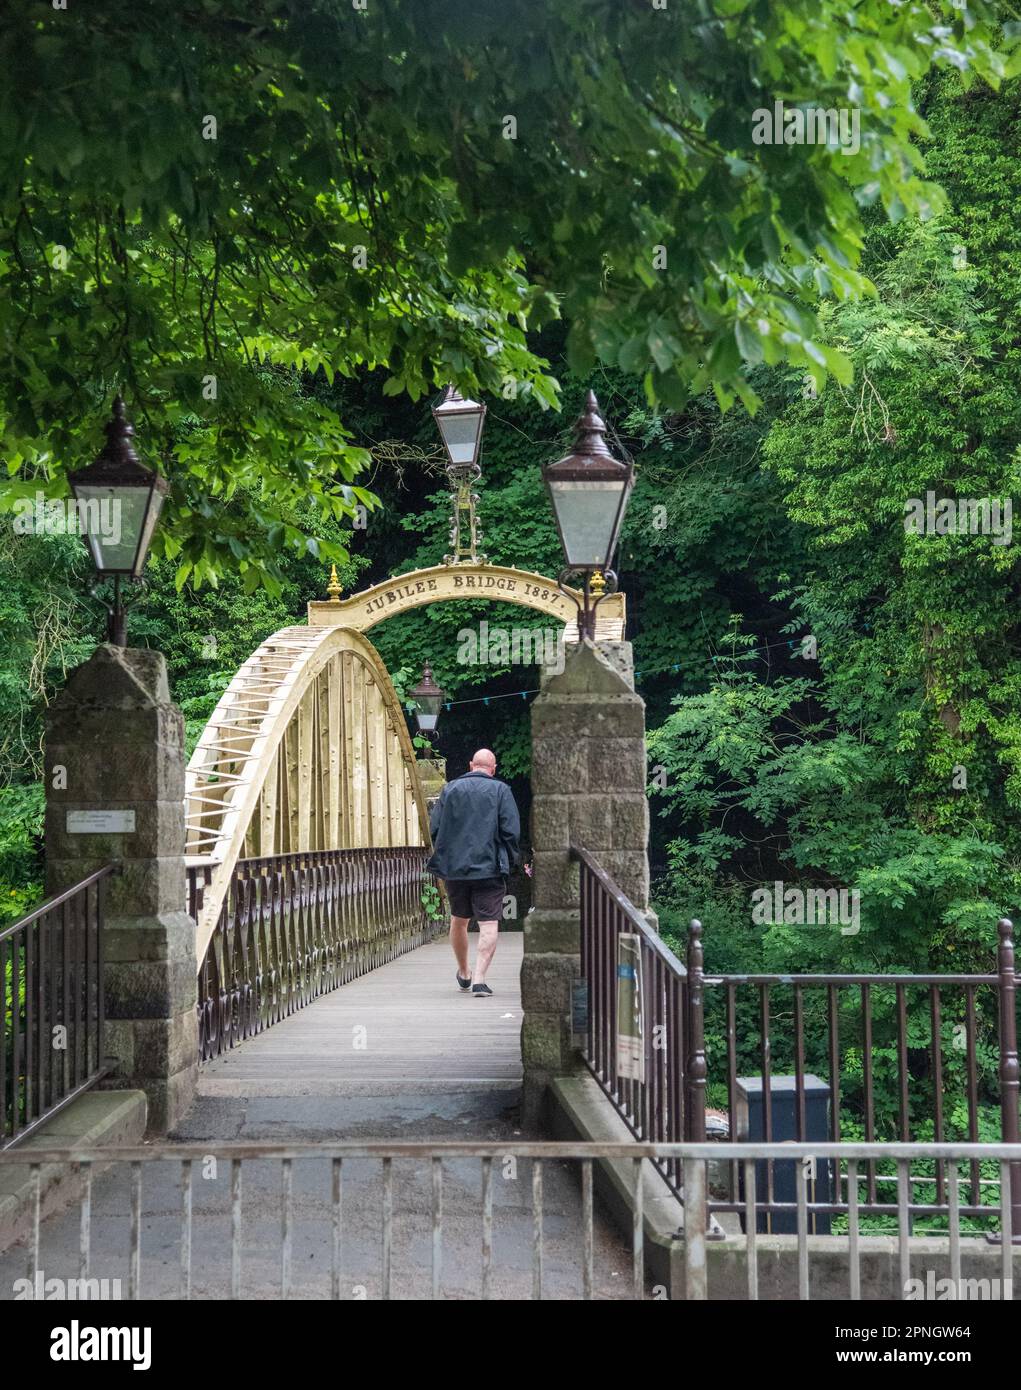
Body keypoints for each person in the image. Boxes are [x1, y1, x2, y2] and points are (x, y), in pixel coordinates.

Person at [426, 748, 520, 997]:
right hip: (488, 868)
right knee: (489, 923)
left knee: (458, 919)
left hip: (455, 868)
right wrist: (511, 861)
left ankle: (464, 971)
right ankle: (479, 979)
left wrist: (448, 854)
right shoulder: (501, 791)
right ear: (494, 768)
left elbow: (434, 829)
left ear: (470, 765)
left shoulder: (450, 790)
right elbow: (511, 832)